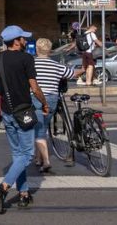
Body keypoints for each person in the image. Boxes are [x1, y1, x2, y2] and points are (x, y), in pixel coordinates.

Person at [0, 25, 49, 214]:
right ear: (16, 41)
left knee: (17, 154)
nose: (25, 40)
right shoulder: (26, 58)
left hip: (6, 111)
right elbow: (35, 87)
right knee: (28, 154)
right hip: (24, 111)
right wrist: (44, 103)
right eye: (23, 38)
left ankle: (23, 193)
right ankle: (3, 187)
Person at [33, 38, 82, 173]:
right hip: (52, 99)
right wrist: (83, 69)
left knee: (39, 129)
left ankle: (46, 161)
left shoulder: (31, 64)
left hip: (36, 98)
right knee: (42, 127)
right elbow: (72, 74)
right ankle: (38, 158)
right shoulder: (56, 66)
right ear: (50, 51)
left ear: (37, 49)